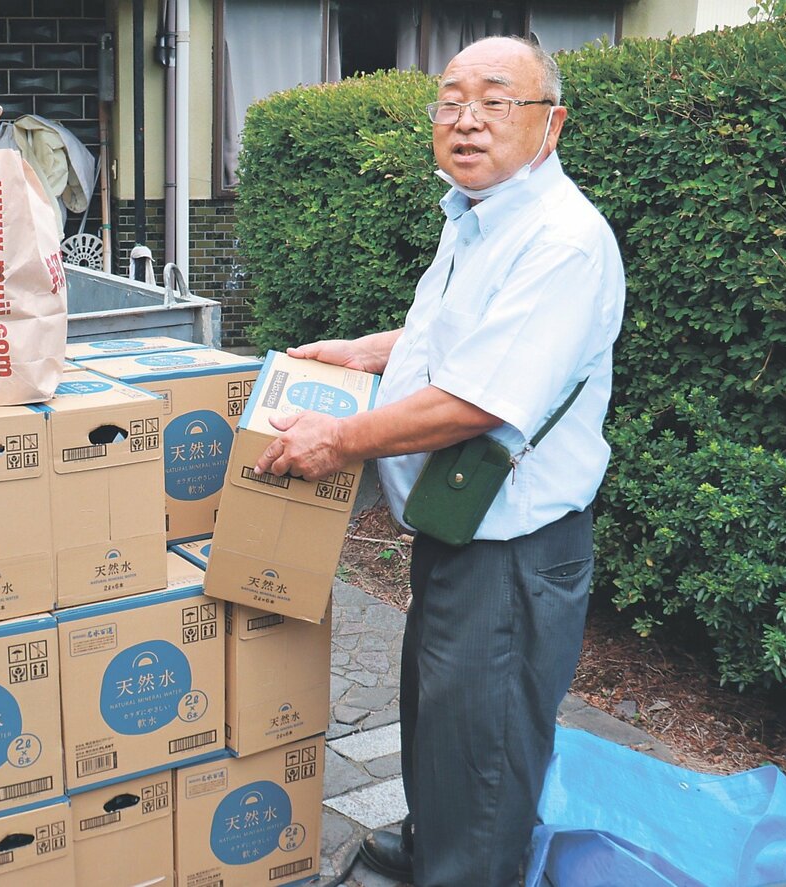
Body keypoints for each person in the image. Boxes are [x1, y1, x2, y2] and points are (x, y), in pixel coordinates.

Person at [254, 36, 626, 887]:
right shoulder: (479, 217)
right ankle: (430, 847)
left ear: (551, 123)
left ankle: (464, 867)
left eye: (496, 101)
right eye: (451, 101)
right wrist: (369, 351)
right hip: (463, 538)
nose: (465, 122)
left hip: (512, 557)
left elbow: (479, 400)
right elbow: (457, 343)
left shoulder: (560, 241)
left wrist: (337, 439)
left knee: (484, 757)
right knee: (440, 723)